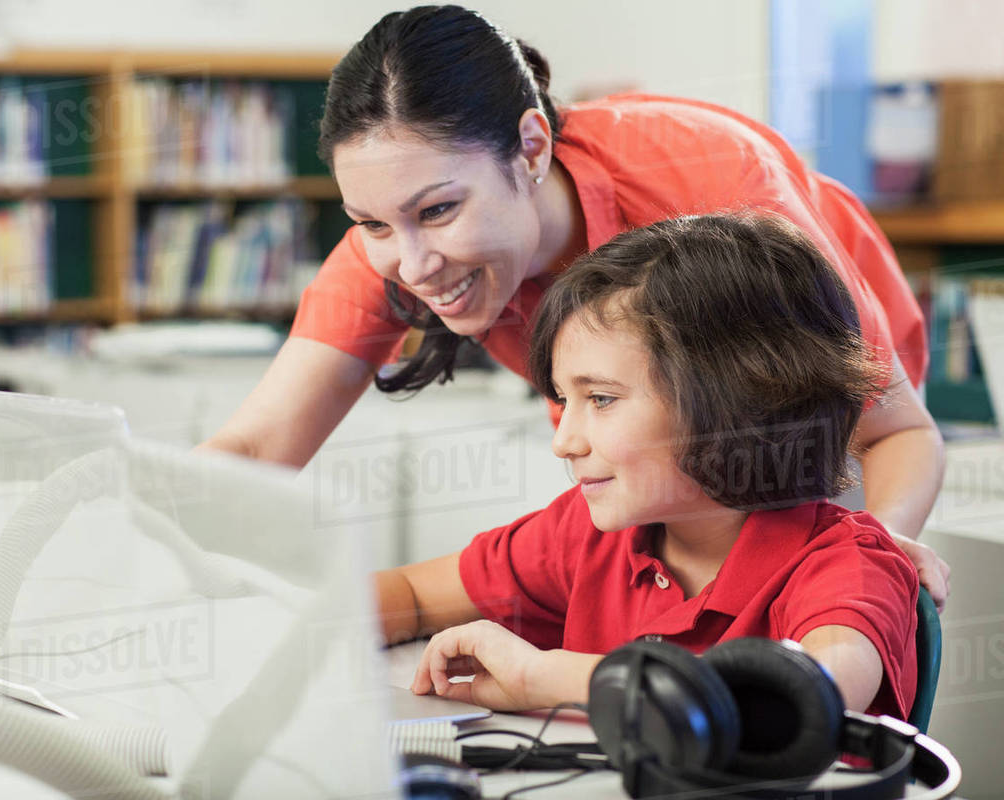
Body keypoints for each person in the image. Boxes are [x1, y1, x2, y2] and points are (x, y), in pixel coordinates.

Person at [203, 5, 950, 609]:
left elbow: (893, 433)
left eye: (438, 210)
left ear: (530, 150)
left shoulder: (712, 187)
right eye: (369, 223)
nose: (411, 264)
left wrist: (873, 553)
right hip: (670, 480)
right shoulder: (399, 244)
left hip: (831, 433)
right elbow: (256, 452)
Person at [377, 213, 918, 717]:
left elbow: (796, 698)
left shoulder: (847, 567)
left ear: (742, 399)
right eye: (565, 399)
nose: (563, 442)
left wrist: (549, 676)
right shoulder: (587, 532)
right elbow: (412, 595)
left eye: (602, 399)